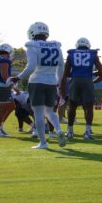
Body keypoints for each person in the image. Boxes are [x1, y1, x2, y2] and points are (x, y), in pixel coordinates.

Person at [18, 21, 67, 149]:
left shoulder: (32, 45)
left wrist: (17, 78)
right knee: (50, 111)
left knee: (38, 113)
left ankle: (43, 143)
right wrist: (58, 82)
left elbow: (31, 67)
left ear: (33, 32)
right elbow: (61, 66)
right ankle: (59, 129)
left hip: (37, 81)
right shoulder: (56, 46)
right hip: (52, 82)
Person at [61, 38, 102, 140]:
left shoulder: (71, 53)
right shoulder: (93, 54)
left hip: (75, 80)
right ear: (88, 45)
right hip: (87, 80)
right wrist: (92, 77)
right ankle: (87, 133)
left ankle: (70, 131)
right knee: (88, 108)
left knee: (72, 106)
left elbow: (66, 73)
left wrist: (63, 89)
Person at [0, 43, 17, 137]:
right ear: (9, 52)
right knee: (1, 109)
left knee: (12, 106)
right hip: (3, 87)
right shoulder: (4, 61)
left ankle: (0, 127)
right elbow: (5, 76)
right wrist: (13, 86)